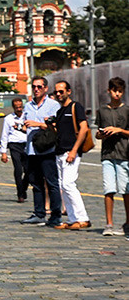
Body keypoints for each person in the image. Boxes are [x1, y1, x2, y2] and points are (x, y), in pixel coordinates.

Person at [20, 77, 62, 226]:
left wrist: (38, 124)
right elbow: (26, 125)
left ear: (45, 88)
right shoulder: (28, 106)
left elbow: (56, 126)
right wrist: (22, 126)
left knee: (52, 183)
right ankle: (39, 213)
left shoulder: (53, 105)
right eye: (34, 87)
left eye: (39, 87)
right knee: (36, 183)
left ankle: (56, 215)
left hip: (47, 149)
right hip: (31, 149)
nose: (36, 89)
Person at [50, 79, 90, 230]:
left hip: (70, 152)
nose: (59, 94)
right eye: (56, 92)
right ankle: (73, 219)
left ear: (69, 91)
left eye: (61, 91)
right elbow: (60, 132)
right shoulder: (59, 111)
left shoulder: (75, 107)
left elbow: (84, 128)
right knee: (63, 186)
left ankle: (83, 218)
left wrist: (74, 150)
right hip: (59, 152)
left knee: (68, 184)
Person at [96, 77, 129, 238]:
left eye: (120, 91)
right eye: (114, 91)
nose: (117, 94)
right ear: (109, 91)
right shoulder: (102, 110)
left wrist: (119, 130)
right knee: (108, 189)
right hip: (107, 155)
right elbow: (97, 132)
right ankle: (109, 224)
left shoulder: (127, 110)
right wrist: (101, 134)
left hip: (124, 155)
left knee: (126, 190)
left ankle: (128, 223)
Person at [0, 97, 29, 203]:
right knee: (18, 169)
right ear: (13, 107)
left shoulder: (27, 116)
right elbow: (4, 135)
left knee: (28, 170)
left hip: (26, 145)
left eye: (20, 107)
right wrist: (3, 152)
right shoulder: (9, 119)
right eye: (16, 107)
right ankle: (20, 193)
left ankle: (24, 188)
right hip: (14, 145)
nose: (19, 109)